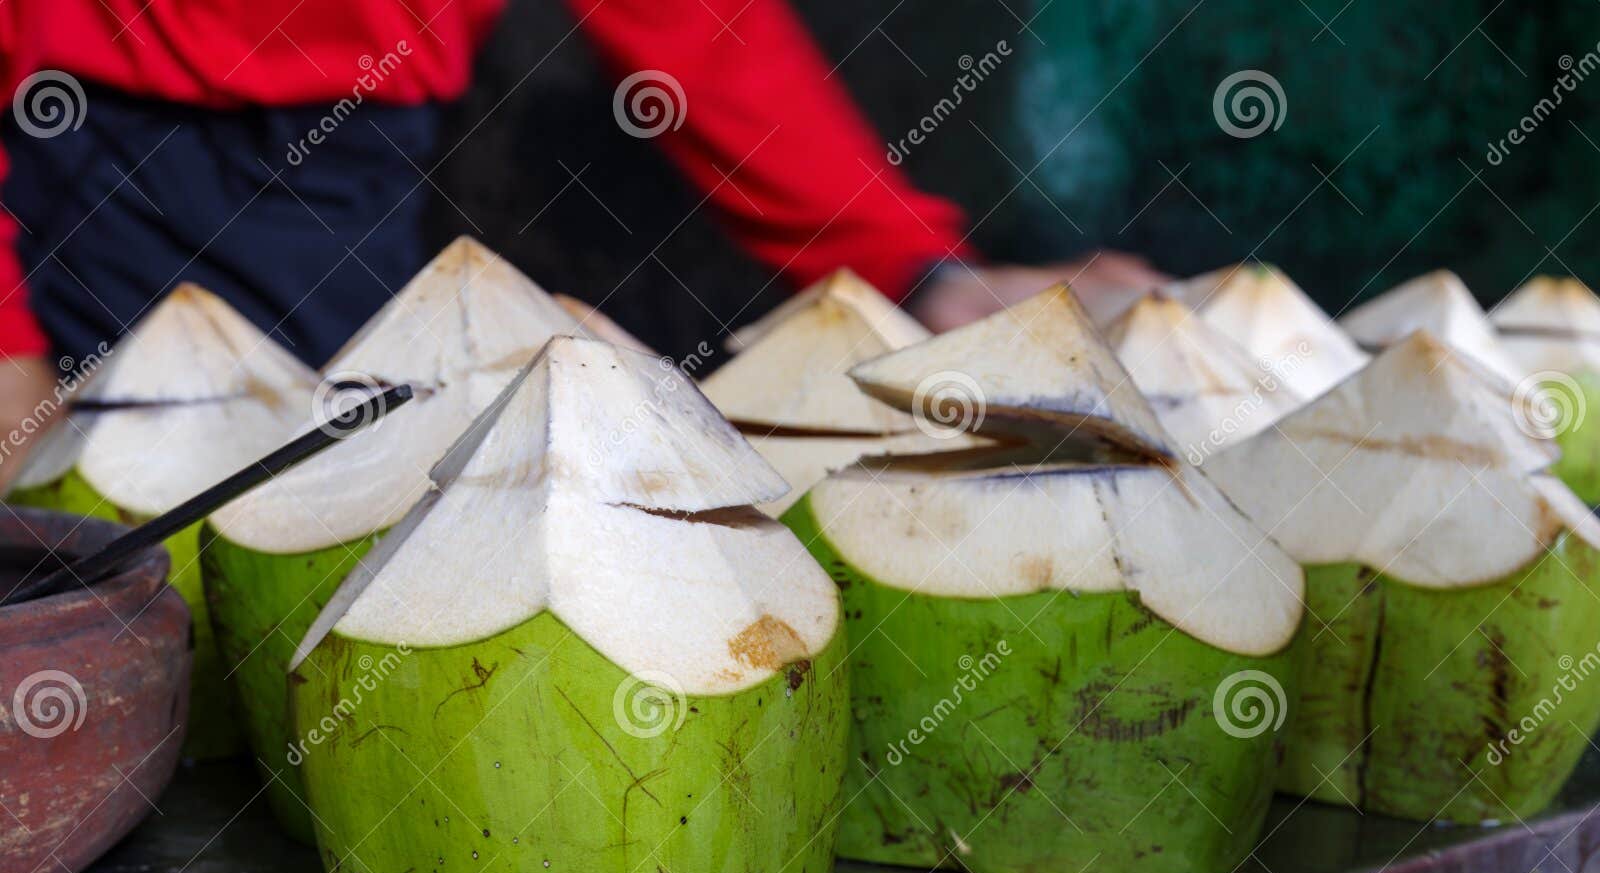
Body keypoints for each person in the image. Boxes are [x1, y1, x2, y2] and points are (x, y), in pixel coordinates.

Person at [0, 0, 1162, 490]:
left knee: (304, 553)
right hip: (82, 143)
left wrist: (914, 267)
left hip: (357, 165)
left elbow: (689, 25)